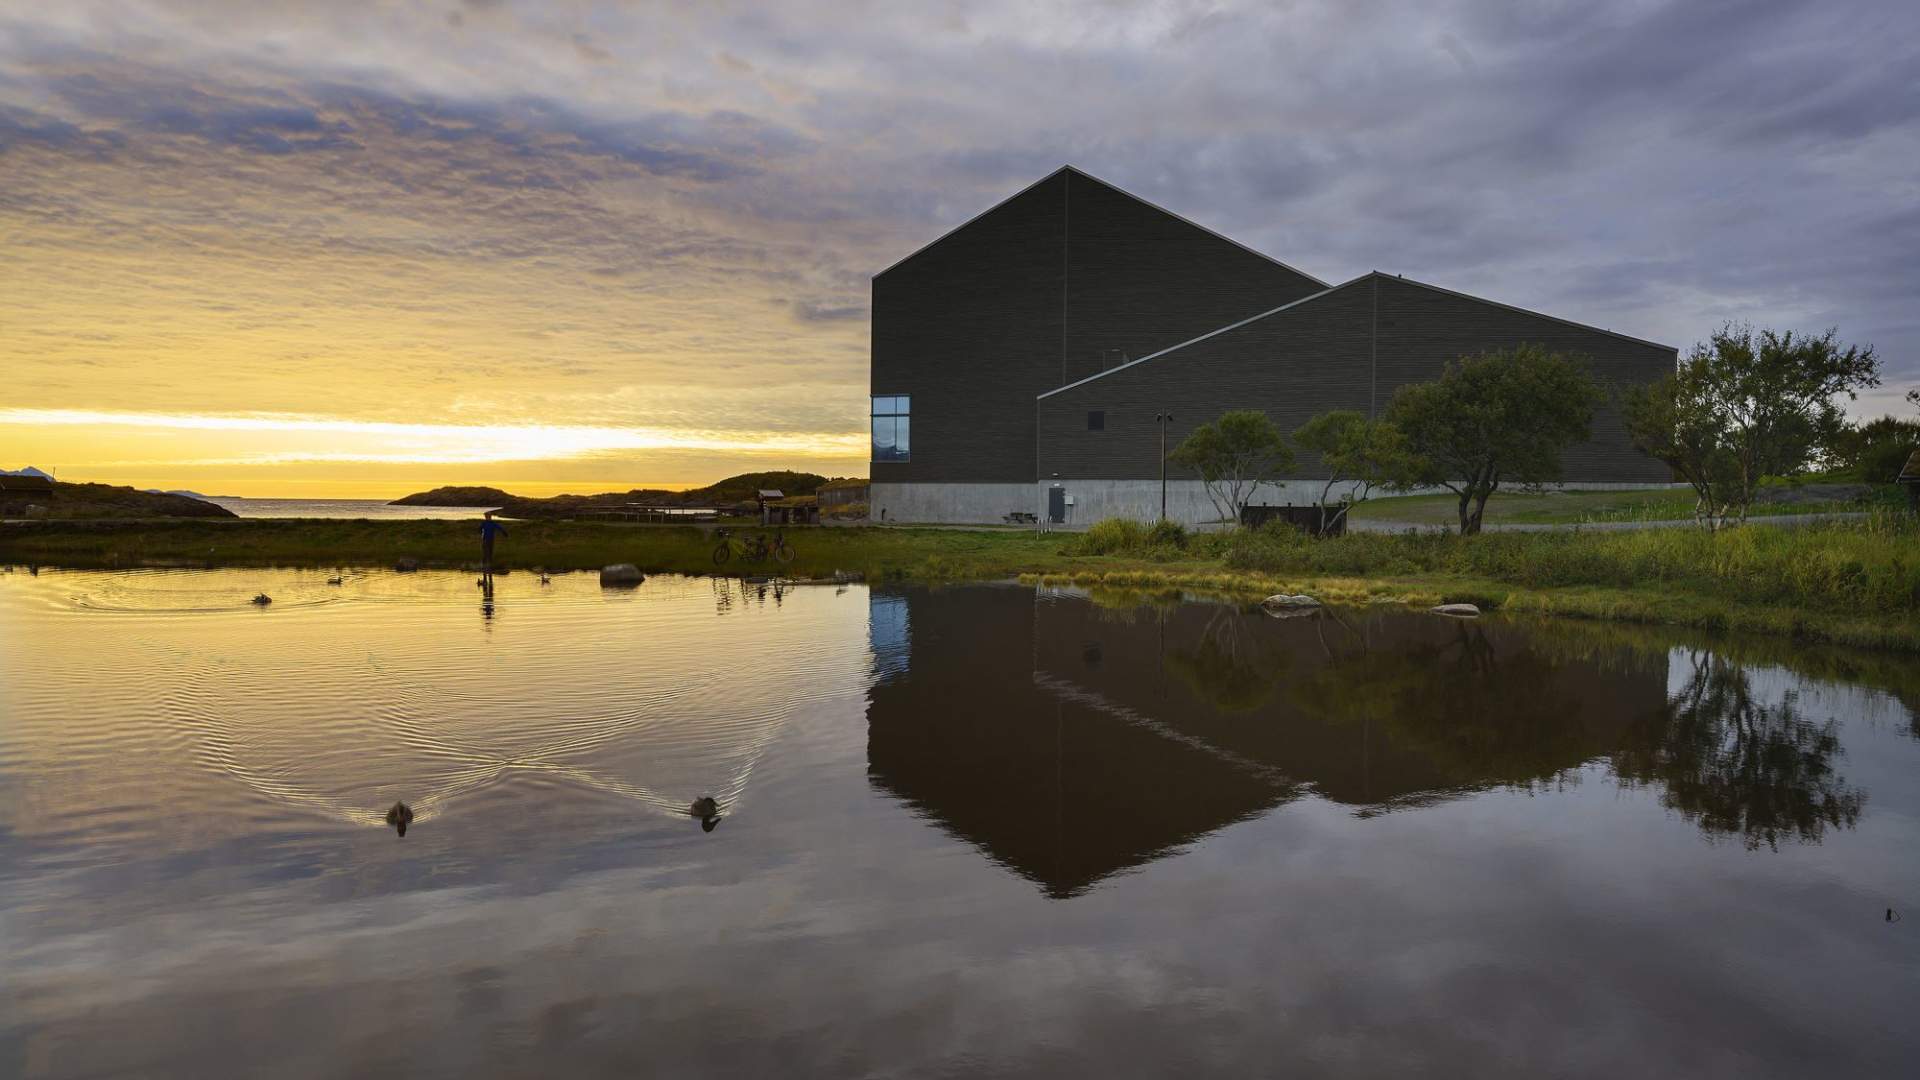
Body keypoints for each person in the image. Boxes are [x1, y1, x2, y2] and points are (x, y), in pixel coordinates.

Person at [479, 511, 508, 578]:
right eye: (486, 516)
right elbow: (480, 528)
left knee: (490, 553)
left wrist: (504, 532)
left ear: (490, 517)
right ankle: (484, 567)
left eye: (489, 516)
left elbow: (499, 528)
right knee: (485, 553)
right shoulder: (484, 523)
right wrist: (480, 531)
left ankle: (489, 567)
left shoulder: (493, 523)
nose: (488, 517)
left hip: (491, 540)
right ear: (485, 517)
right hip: (485, 540)